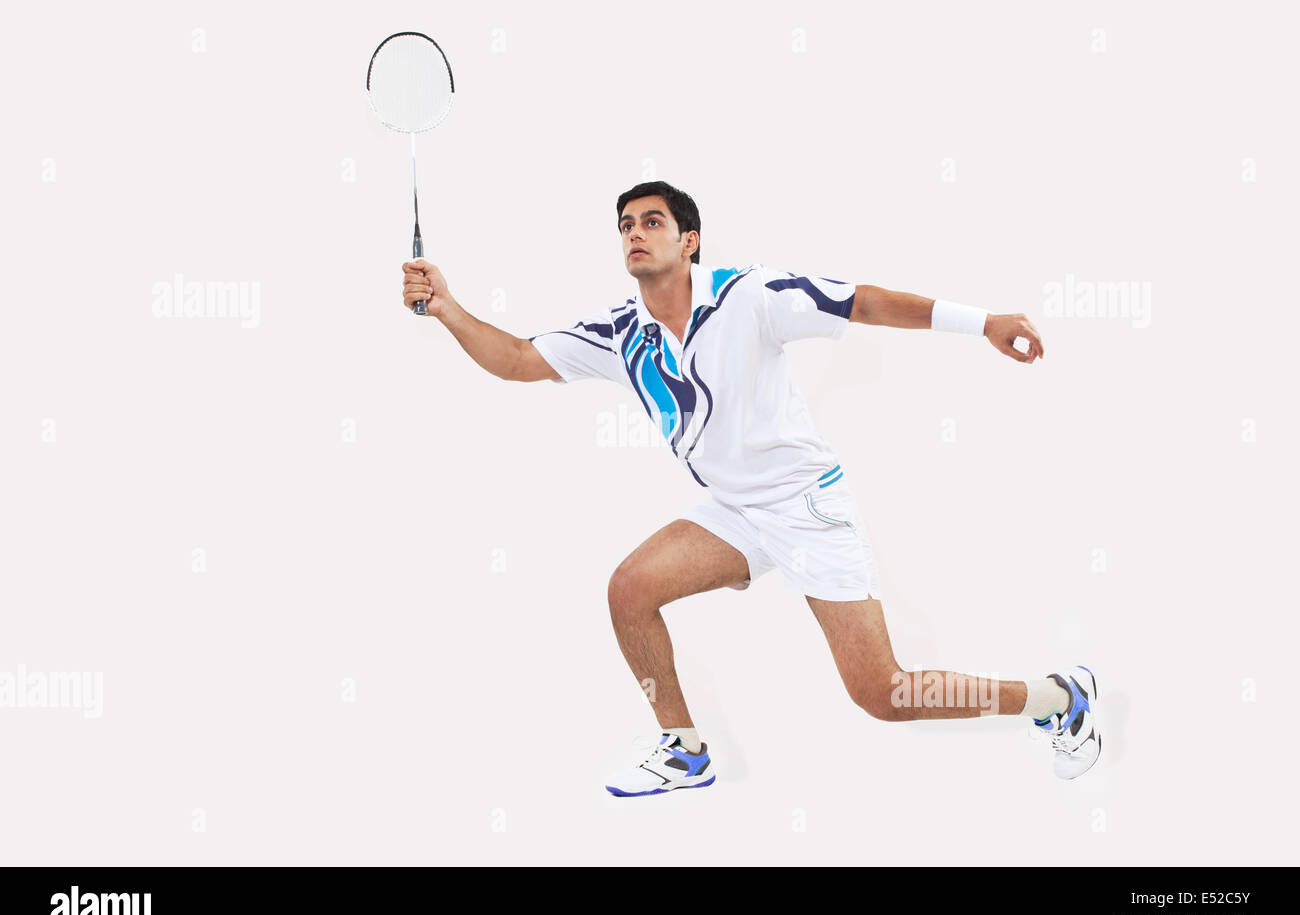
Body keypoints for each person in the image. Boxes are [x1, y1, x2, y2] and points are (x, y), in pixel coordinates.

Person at [399, 180, 1101, 797]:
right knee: (629, 590)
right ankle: (683, 748)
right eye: (624, 226)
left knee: (883, 694)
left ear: (690, 239)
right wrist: (449, 308)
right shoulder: (622, 333)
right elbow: (521, 359)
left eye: (651, 221)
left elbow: (863, 303)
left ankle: (1056, 698)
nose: (634, 234)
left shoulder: (750, 295)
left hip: (806, 508)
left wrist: (983, 323)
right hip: (735, 512)